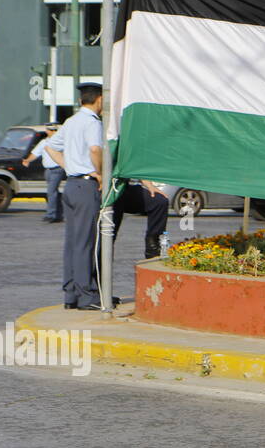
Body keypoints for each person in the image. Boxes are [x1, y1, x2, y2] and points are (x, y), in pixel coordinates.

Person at [53, 83, 105, 310]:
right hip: (86, 187)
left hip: (71, 185)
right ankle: (87, 296)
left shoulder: (71, 121)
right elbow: (95, 149)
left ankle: (71, 294)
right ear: (99, 100)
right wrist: (99, 172)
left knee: (72, 243)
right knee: (86, 242)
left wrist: (70, 166)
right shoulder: (92, 122)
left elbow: (50, 147)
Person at [113, 179, 169, 258]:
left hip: (122, 187)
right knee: (108, 234)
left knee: (159, 201)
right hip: (104, 187)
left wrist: (149, 185)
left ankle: (153, 245)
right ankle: (98, 263)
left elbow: (133, 167)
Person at [22, 131, 65, 223]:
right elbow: (36, 153)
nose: (49, 132)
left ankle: (51, 215)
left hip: (58, 169)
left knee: (51, 191)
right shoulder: (44, 142)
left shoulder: (61, 141)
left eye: (52, 130)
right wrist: (28, 160)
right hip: (48, 170)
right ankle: (59, 214)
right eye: (49, 130)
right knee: (54, 192)